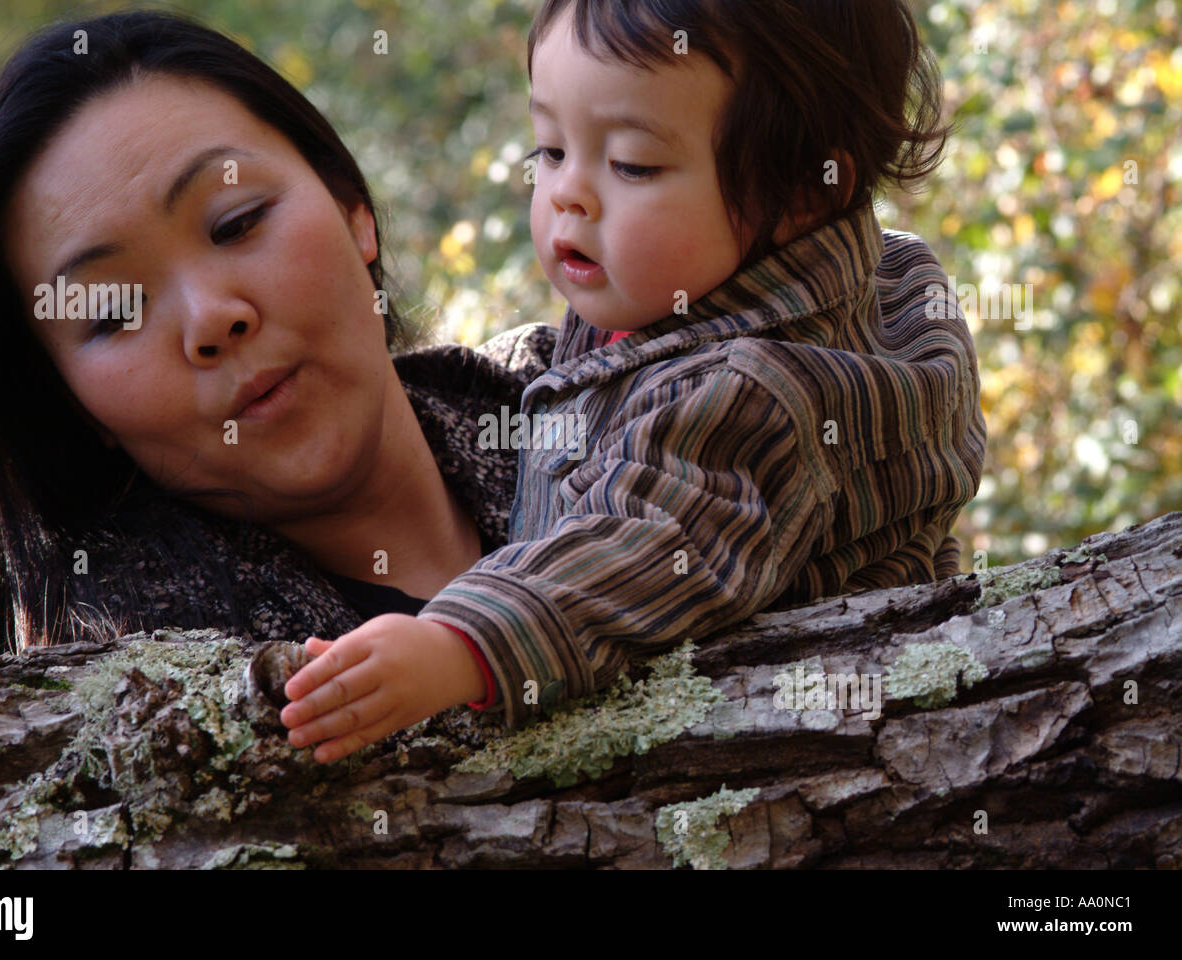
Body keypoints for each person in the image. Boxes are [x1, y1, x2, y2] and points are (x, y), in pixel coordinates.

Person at [280, 0, 987, 760]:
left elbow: (636, 544)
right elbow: (612, 374)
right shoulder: (721, 281)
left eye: (633, 164)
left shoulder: (751, 396)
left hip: (756, 760)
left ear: (805, 193)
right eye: (550, 149)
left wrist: (459, 644)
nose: (567, 194)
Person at [0, 9, 554, 742]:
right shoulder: (136, 702)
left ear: (353, 211)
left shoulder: (611, 406)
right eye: (114, 311)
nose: (212, 319)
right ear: (76, 407)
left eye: (237, 222)